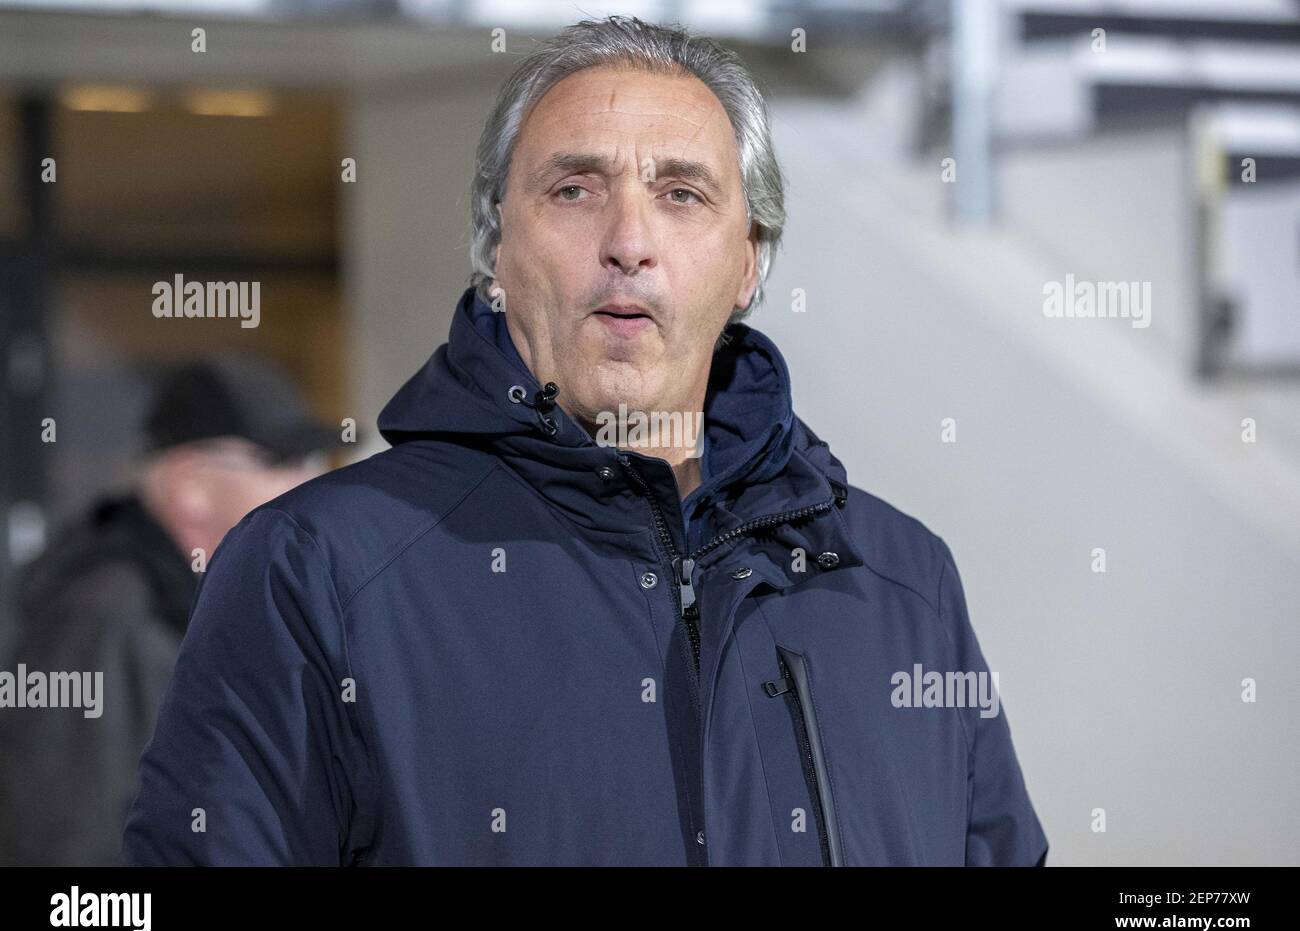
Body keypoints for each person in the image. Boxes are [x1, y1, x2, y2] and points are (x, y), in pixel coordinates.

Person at [123, 16, 1048, 866]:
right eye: (575, 189)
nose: (629, 241)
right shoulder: (317, 571)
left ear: (750, 262)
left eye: (682, 194)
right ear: (493, 252)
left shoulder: (902, 583)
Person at [0, 354, 334, 865]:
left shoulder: (194, 595)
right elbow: (66, 848)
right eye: (282, 462)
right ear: (190, 485)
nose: (313, 484)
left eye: (313, 464)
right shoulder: (108, 614)